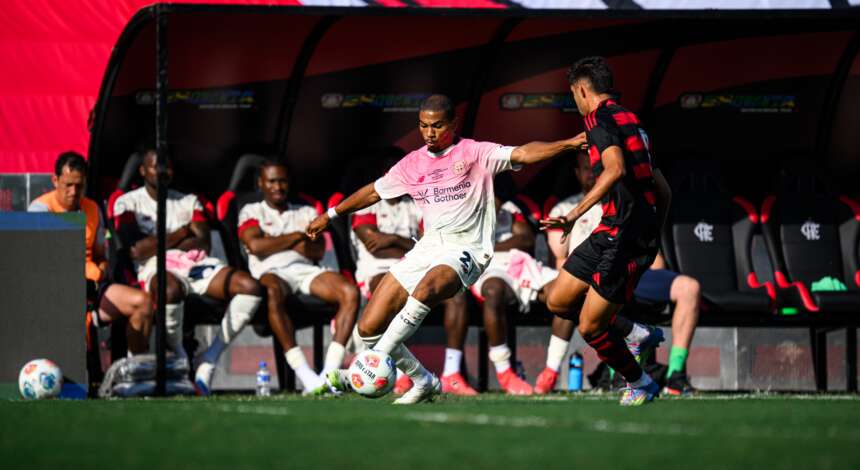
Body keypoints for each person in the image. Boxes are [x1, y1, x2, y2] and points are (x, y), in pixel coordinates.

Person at [306, 94, 585, 404]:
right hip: (427, 248)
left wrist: (569, 144)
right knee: (368, 328)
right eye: (424, 126)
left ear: (453, 123)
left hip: (466, 250)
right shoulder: (413, 163)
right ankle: (423, 380)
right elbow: (373, 192)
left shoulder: (475, 153)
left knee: (426, 290)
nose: (429, 133)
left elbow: (524, 153)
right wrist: (330, 215)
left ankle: (375, 361)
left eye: (437, 126)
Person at [541, 57, 672, 406]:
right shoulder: (631, 120)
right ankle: (633, 331)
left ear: (582, 90)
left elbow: (613, 170)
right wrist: (653, 232)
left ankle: (640, 382)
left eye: (574, 94)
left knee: (590, 327)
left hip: (625, 235)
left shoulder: (597, 119)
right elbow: (664, 192)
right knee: (557, 299)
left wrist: (572, 215)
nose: (575, 101)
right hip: (614, 228)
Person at [538, 151, 699, 395]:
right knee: (598, 291)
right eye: (585, 169)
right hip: (590, 279)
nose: (592, 174)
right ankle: (619, 372)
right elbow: (561, 262)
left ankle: (676, 375)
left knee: (689, 287)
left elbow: (656, 258)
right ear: (576, 173)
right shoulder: (564, 209)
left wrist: (635, 271)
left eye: (597, 168)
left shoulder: (626, 202)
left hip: (633, 271)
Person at [112, 149, 263, 395]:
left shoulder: (188, 200)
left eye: (167, 167)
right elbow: (137, 250)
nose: (162, 171)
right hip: (156, 268)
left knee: (251, 288)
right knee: (169, 289)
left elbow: (202, 242)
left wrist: (159, 241)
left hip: (196, 264)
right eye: (155, 166)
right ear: (142, 171)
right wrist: (183, 232)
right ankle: (181, 357)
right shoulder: (127, 202)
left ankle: (209, 358)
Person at [238, 161, 359, 393]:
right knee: (271, 289)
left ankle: (328, 374)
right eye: (272, 181)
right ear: (260, 183)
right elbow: (256, 245)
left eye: (282, 181)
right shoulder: (251, 211)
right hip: (271, 273)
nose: (278, 186)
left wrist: (273, 241)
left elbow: (317, 250)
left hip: (306, 271)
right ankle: (305, 375)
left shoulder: (307, 211)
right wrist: (296, 236)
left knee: (350, 292)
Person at [30, 152, 153, 356]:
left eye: (79, 185)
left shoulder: (92, 209)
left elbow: (100, 256)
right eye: (68, 184)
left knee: (143, 302)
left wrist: (103, 268)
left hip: (92, 287)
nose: (73, 192)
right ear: (55, 180)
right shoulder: (41, 209)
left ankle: (134, 372)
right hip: (57, 290)